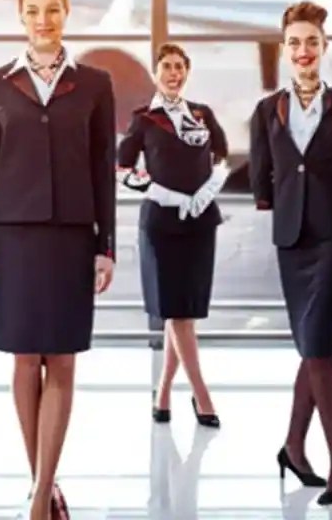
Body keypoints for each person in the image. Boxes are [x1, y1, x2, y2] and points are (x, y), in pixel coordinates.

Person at [0, 0, 115, 520]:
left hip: (72, 233)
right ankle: (41, 485)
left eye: (53, 10)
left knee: (62, 360)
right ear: (21, 18)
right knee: (25, 359)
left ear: (67, 14)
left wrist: (105, 245)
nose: (43, 20)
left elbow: (101, 171)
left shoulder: (94, 83)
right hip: (15, 233)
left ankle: (41, 497)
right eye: (33, 11)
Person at [249, 0, 332, 506]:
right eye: (295, 43)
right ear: (284, 50)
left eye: (312, 42)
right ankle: (294, 447)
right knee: (312, 346)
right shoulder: (267, 110)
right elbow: (262, 174)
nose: (304, 51)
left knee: (318, 347)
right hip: (292, 242)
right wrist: (272, 211)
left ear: (325, 48)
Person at [116, 43, 228, 428]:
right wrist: (164, 194)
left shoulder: (202, 114)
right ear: (155, 72)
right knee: (177, 312)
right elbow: (123, 168)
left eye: (179, 67)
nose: (173, 73)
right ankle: (203, 397)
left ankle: (162, 393)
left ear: (187, 71)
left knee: (185, 313)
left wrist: (205, 194)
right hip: (162, 224)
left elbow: (223, 157)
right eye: (166, 66)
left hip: (200, 221)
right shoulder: (144, 119)